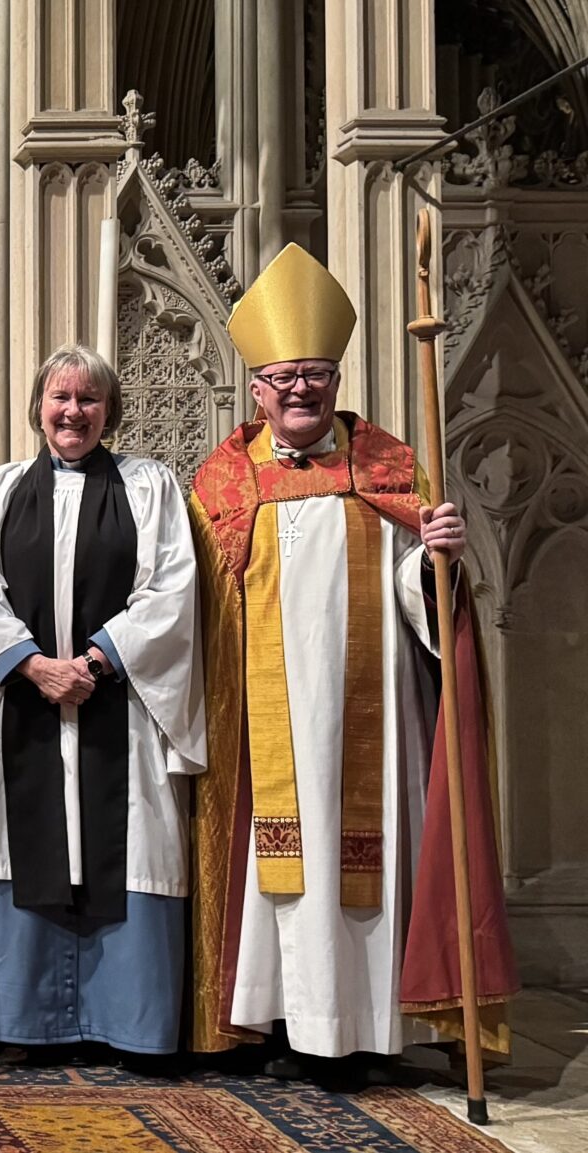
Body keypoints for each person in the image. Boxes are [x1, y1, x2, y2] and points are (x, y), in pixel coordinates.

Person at [186, 244, 517, 1071]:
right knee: (278, 876)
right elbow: (195, 608)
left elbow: (422, 595)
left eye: (318, 373)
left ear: (337, 380)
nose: (303, 388)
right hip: (265, 731)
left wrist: (437, 557)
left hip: (372, 718)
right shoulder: (221, 483)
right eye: (287, 375)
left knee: (367, 867)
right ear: (257, 388)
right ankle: (281, 1022)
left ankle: (369, 1028)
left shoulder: (390, 466)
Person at [0, 343, 205, 1058]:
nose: (73, 411)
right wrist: (32, 665)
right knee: (21, 840)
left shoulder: (149, 485)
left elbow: (172, 589)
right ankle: (26, 1023)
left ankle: (127, 1024)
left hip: (118, 707)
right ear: (38, 407)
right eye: (60, 397)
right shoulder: (1, 490)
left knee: (128, 846)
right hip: (24, 707)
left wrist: (95, 659)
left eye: (89, 399)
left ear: (109, 411)